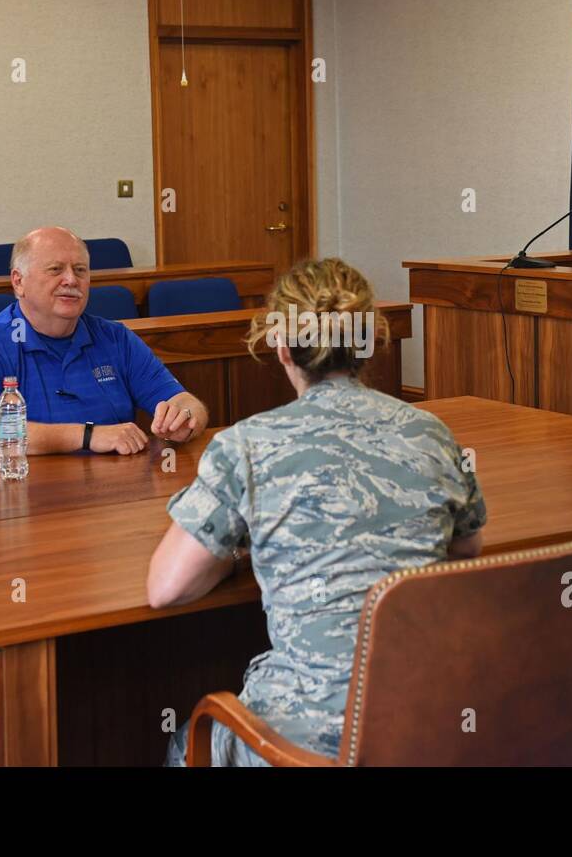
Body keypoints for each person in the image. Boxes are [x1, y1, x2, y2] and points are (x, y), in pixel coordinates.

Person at [147, 257, 487, 765]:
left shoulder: (247, 445)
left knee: (184, 742)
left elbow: (166, 588)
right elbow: (466, 547)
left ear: (281, 346)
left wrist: (249, 546)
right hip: (431, 717)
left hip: (305, 741)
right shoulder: (430, 432)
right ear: (370, 342)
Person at [0, 226, 208, 456]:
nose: (71, 280)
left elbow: (185, 401)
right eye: (55, 269)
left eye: (80, 270)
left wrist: (184, 418)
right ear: (18, 282)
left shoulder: (116, 338)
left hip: (113, 494)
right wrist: (87, 436)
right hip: (27, 496)